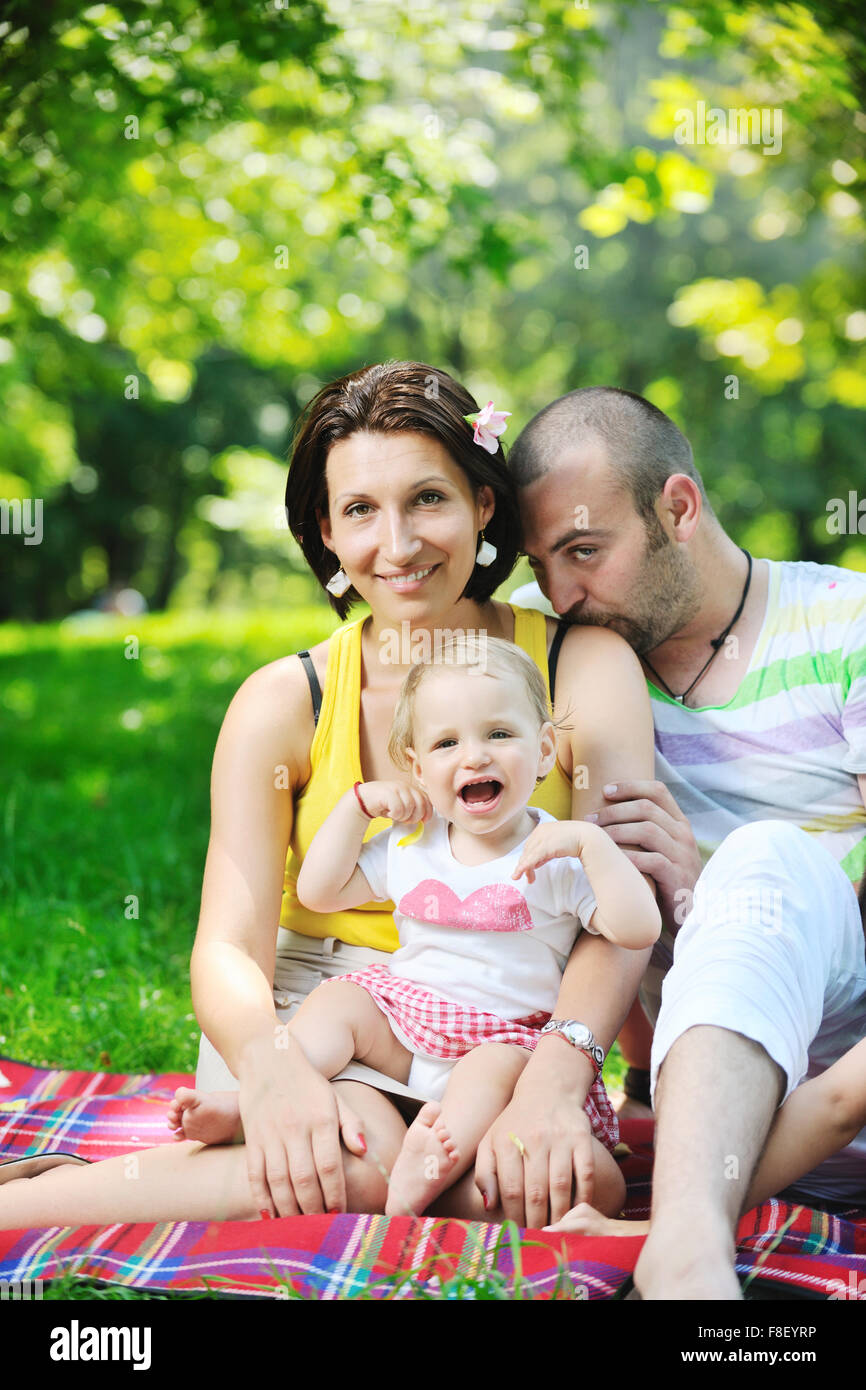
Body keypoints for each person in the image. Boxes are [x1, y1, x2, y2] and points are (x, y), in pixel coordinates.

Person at [0, 363, 656, 1232]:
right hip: (320, 1013)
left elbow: (617, 916)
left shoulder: (580, 665)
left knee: (554, 1185)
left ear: (482, 505)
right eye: (360, 511)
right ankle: (27, 1206)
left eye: (428, 499)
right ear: (327, 531)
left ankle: (125, 1183)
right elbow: (227, 947)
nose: (399, 544)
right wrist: (273, 1068)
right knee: (345, 1169)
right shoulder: (286, 700)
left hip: (509, 1021)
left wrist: (557, 1079)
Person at [494, 384, 866, 1297]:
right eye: (541, 563)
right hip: (702, 1112)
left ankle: (679, 1241)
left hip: (844, 1079)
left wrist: (710, 896)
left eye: (585, 550)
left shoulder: (845, 625)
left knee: (765, 857)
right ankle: (687, 1241)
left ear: (679, 507)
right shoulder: (563, 661)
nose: (563, 593)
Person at [166, 637, 661, 1218]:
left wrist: (595, 847)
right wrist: (355, 808)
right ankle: (259, 1097)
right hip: (408, 1021)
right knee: (344, 1002)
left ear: (545, 749)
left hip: (503, 1036)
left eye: (499, 734)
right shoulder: (412, 845)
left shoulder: (555, 853)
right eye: (447, 743)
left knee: (494, 1068)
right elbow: (320, 891)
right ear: (419, 769)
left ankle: (431, 1169)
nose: (474, 758)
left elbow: (637, 929)